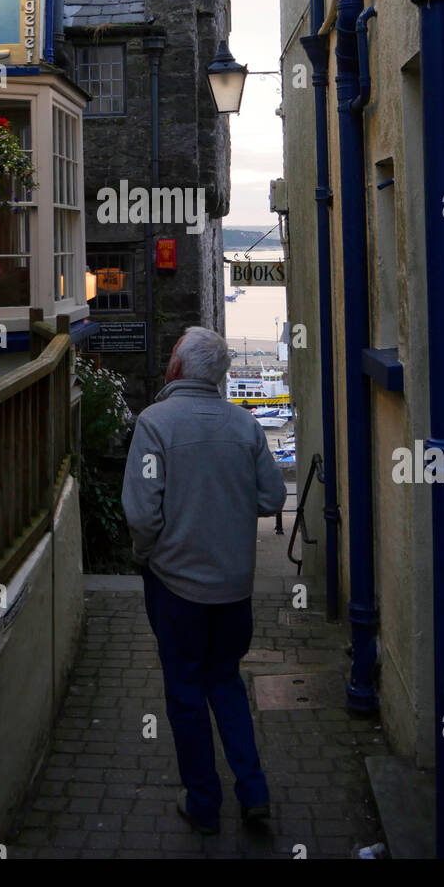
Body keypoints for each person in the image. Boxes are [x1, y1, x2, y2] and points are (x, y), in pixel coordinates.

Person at [122, 326, 286, 834]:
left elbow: (142, 513)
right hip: (234, 587)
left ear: (176, 367)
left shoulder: (155, 424)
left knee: (186, 695)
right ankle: (253, 791)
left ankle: (203, 802)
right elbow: (273, 499)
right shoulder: (246, 426)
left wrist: (147, 555)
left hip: (177, 587)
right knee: (227, 682)